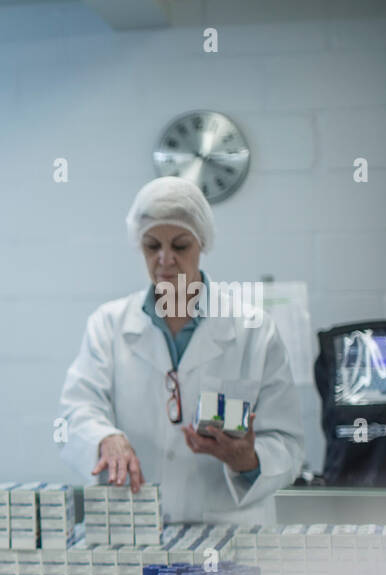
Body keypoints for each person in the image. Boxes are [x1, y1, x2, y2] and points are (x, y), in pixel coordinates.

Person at [58, 176, 304, 524]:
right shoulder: (108, 325)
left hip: (229, 536)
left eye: (180, 245)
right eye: (152, 245)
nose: (165, 259)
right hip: (136, 532)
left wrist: (247, 460)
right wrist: (104, 438)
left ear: (202, 243)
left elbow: (288, 443)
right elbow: (75, 413)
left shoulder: (254, 330)